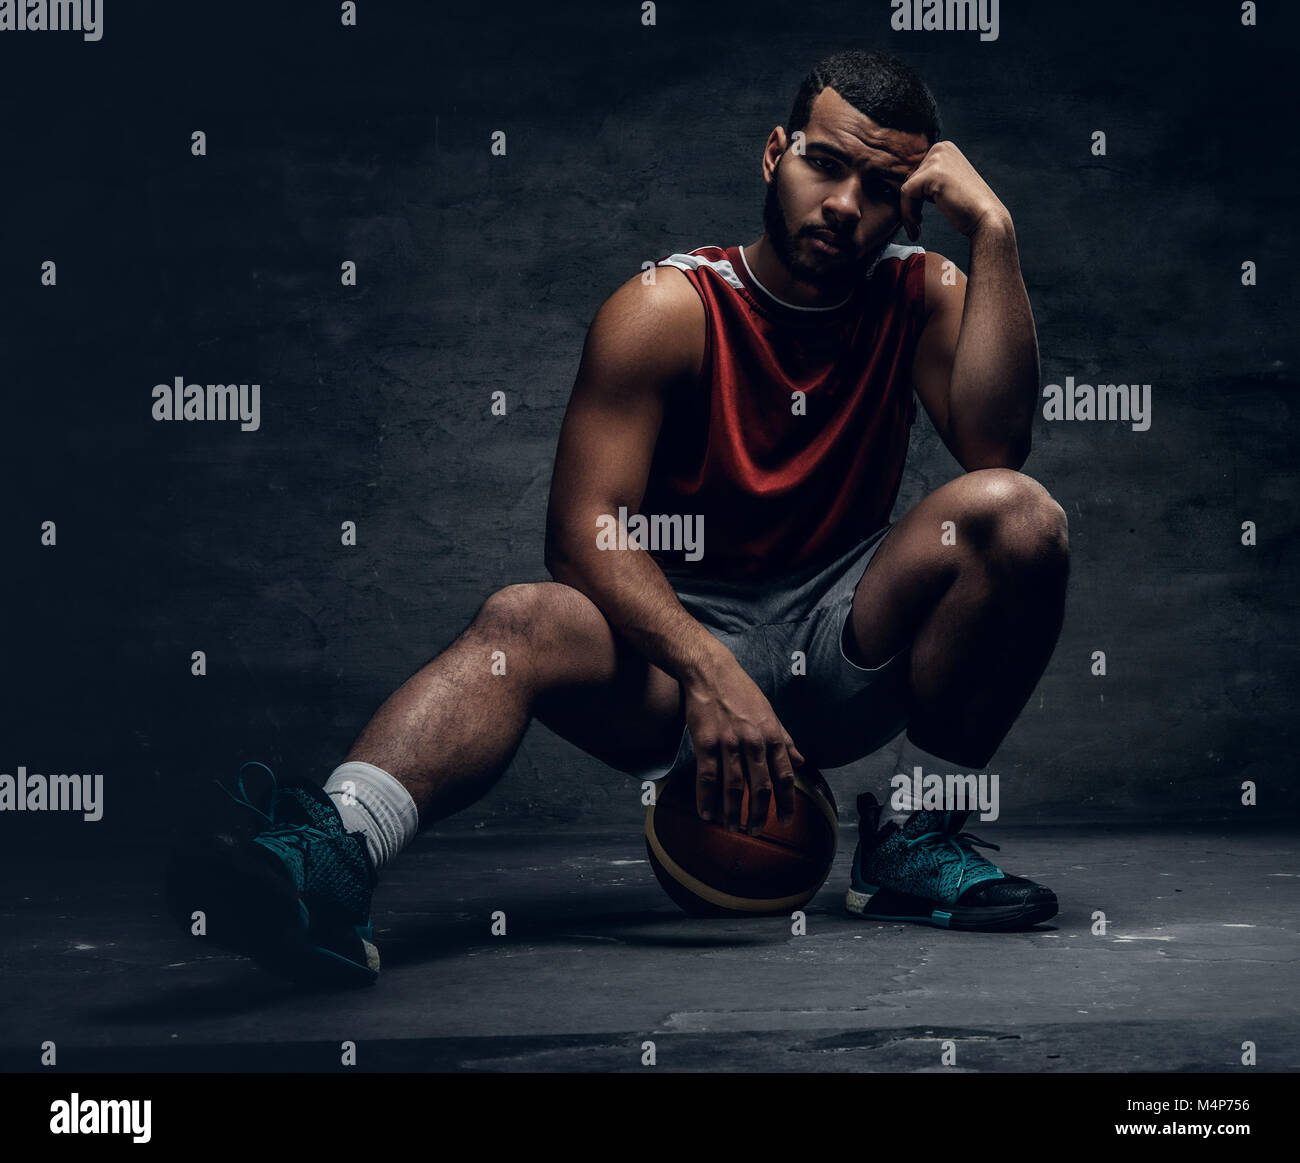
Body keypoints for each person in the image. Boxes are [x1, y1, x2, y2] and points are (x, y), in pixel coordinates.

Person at [165, 50, 1069, 987]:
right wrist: (709, 669)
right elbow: (581, 530)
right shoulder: (665, 310)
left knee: (1017, 516)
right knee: (521, 619)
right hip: (671, 661)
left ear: (914, 206)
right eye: (824, 164)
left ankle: (914, 837)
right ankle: (330, 857)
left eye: (883, 188)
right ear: (774, 156)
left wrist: (994, 232)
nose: (845, 205)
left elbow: (996, 449)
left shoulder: (921, 294)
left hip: (843, 644)